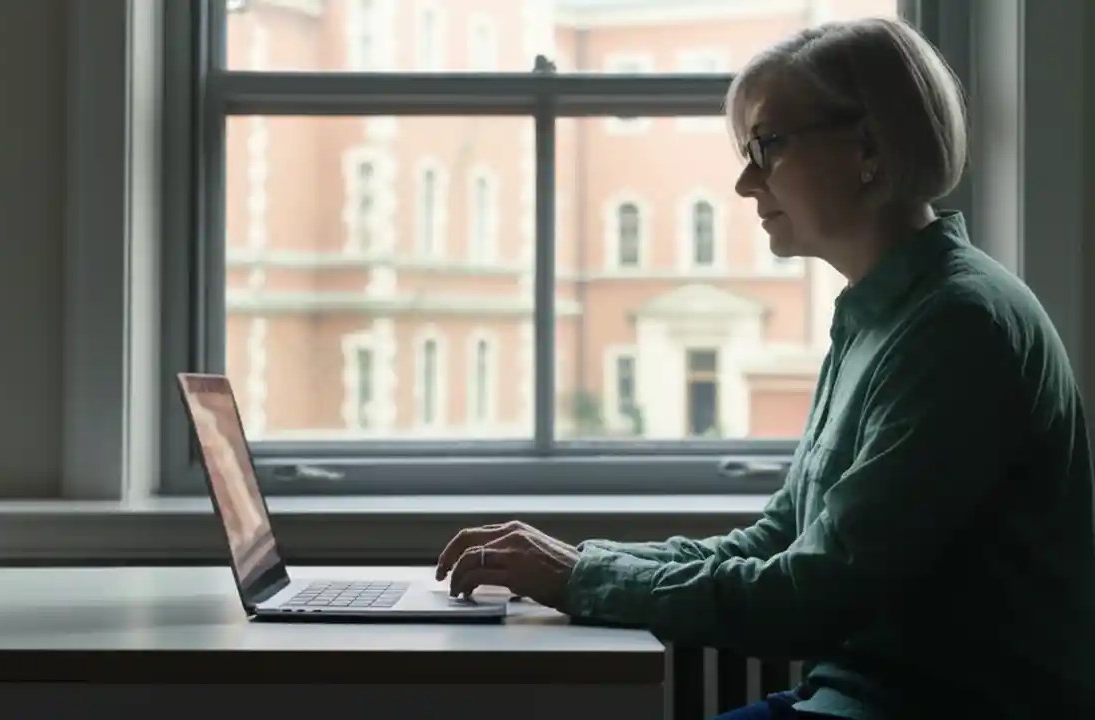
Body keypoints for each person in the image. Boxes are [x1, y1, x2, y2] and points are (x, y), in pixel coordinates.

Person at [435, 16, 1095, 720]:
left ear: (868, 148)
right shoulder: (882, 314)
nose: (746, 181)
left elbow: (809, 597)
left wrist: (578, 576)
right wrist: (573, 563)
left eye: (767, 146)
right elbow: (778, 540)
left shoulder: (958, 328)